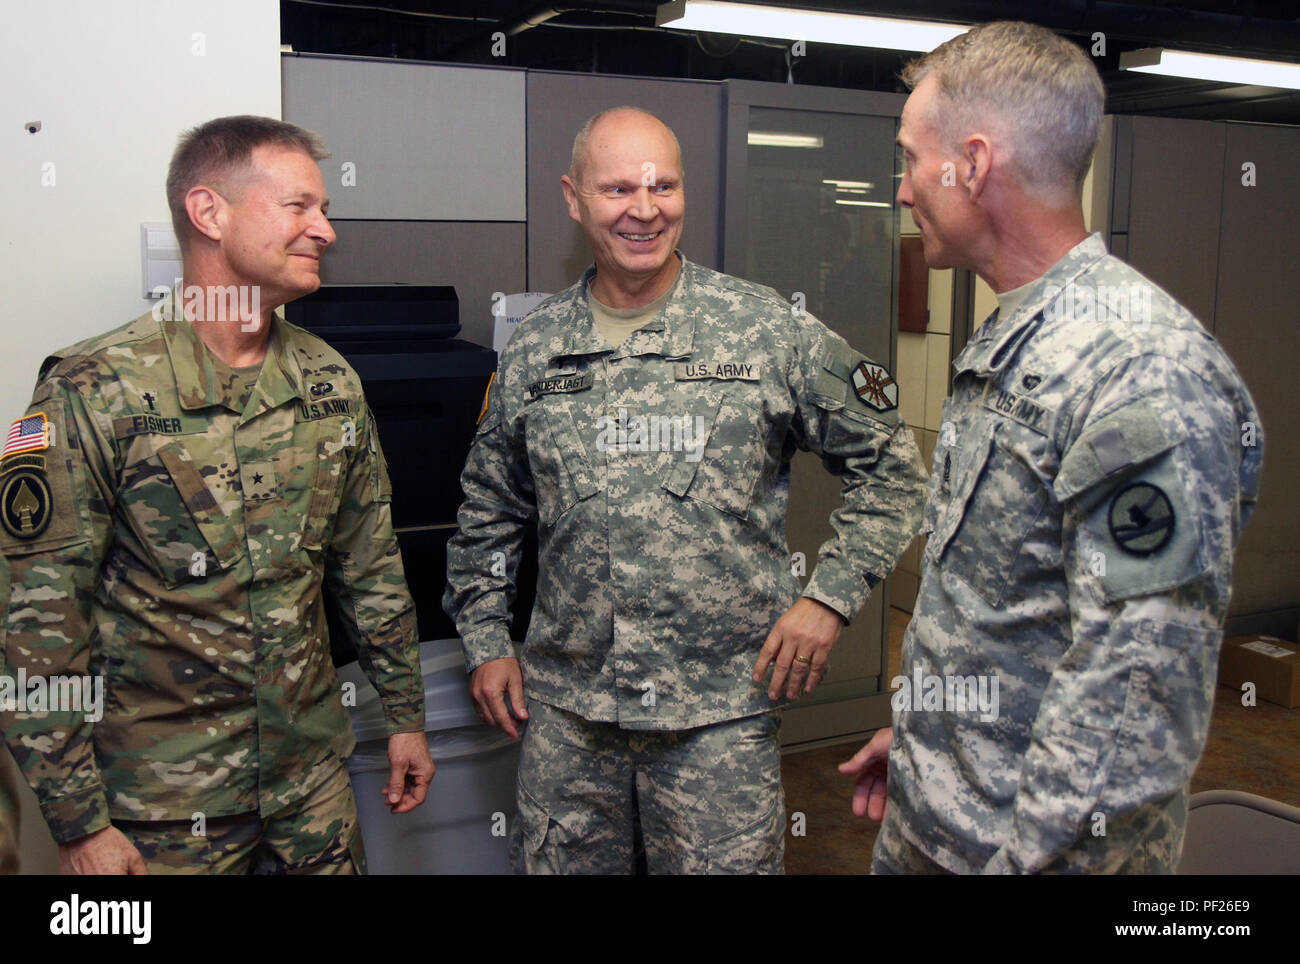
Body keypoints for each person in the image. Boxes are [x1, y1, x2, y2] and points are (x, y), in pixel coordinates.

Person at [445, 107, 926, 874]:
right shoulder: (536, 347)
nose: (645, 209)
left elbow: (894, 466)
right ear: (574, 199)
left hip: (718, 723)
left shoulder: (765, 330)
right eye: (618, 190)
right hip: (569, 721)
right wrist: (483, 640)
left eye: (663, 185)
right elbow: (488, 512)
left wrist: (828, 596)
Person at [840, 21, 1263, 873]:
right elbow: (1012, 614)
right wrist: (931, 745)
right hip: (936, 831)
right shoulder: (1019, 342)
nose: (900, 191)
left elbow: (1133, 710)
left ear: (974, 164)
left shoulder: (1142, 375)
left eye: (911, 160)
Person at [0, 116, 433, 874]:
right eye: (299, 207)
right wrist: (76, 825)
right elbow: (38, 627)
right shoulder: (92, 390)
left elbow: (369, 566)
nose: (324, 230)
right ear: (209, 213)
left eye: (325, 209)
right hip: (154, 812)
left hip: (311, 793)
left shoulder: (328, 383)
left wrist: (404, 716)